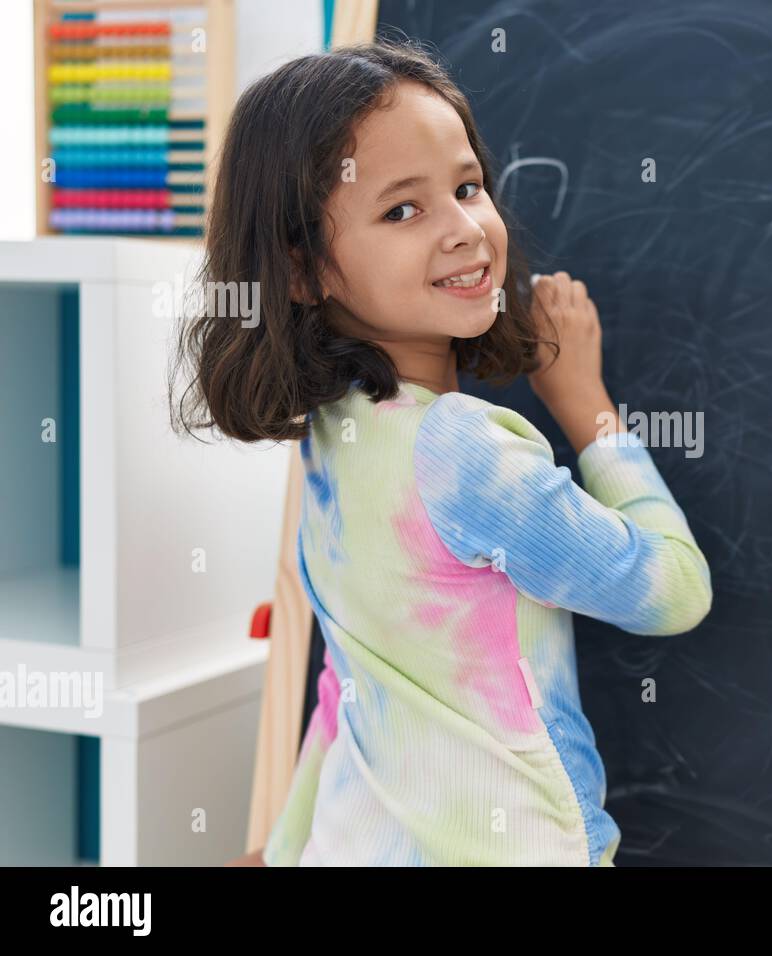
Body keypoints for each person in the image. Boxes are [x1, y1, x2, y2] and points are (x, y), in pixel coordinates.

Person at [171, 40, 711, 866]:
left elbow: (344, 685)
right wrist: (586, 407)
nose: (466, 229)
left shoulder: (330, 436)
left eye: (467, 188)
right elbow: (673, 591)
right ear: (303, 271)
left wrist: (283, 851)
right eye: (403, 210)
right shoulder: (461, 450)